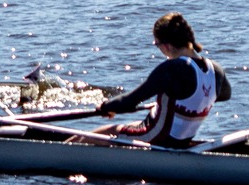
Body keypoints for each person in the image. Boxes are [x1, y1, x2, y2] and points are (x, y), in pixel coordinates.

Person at [90, 12, 231, 148]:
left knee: (95, 135)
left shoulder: (173, 68)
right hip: (182, 140)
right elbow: (224, 95)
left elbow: (130, 101)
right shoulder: (216, 70)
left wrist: (105, 107)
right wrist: (174, 105)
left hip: (157, 139)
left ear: (166, 45)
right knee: (129, 125)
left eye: (157, 44)